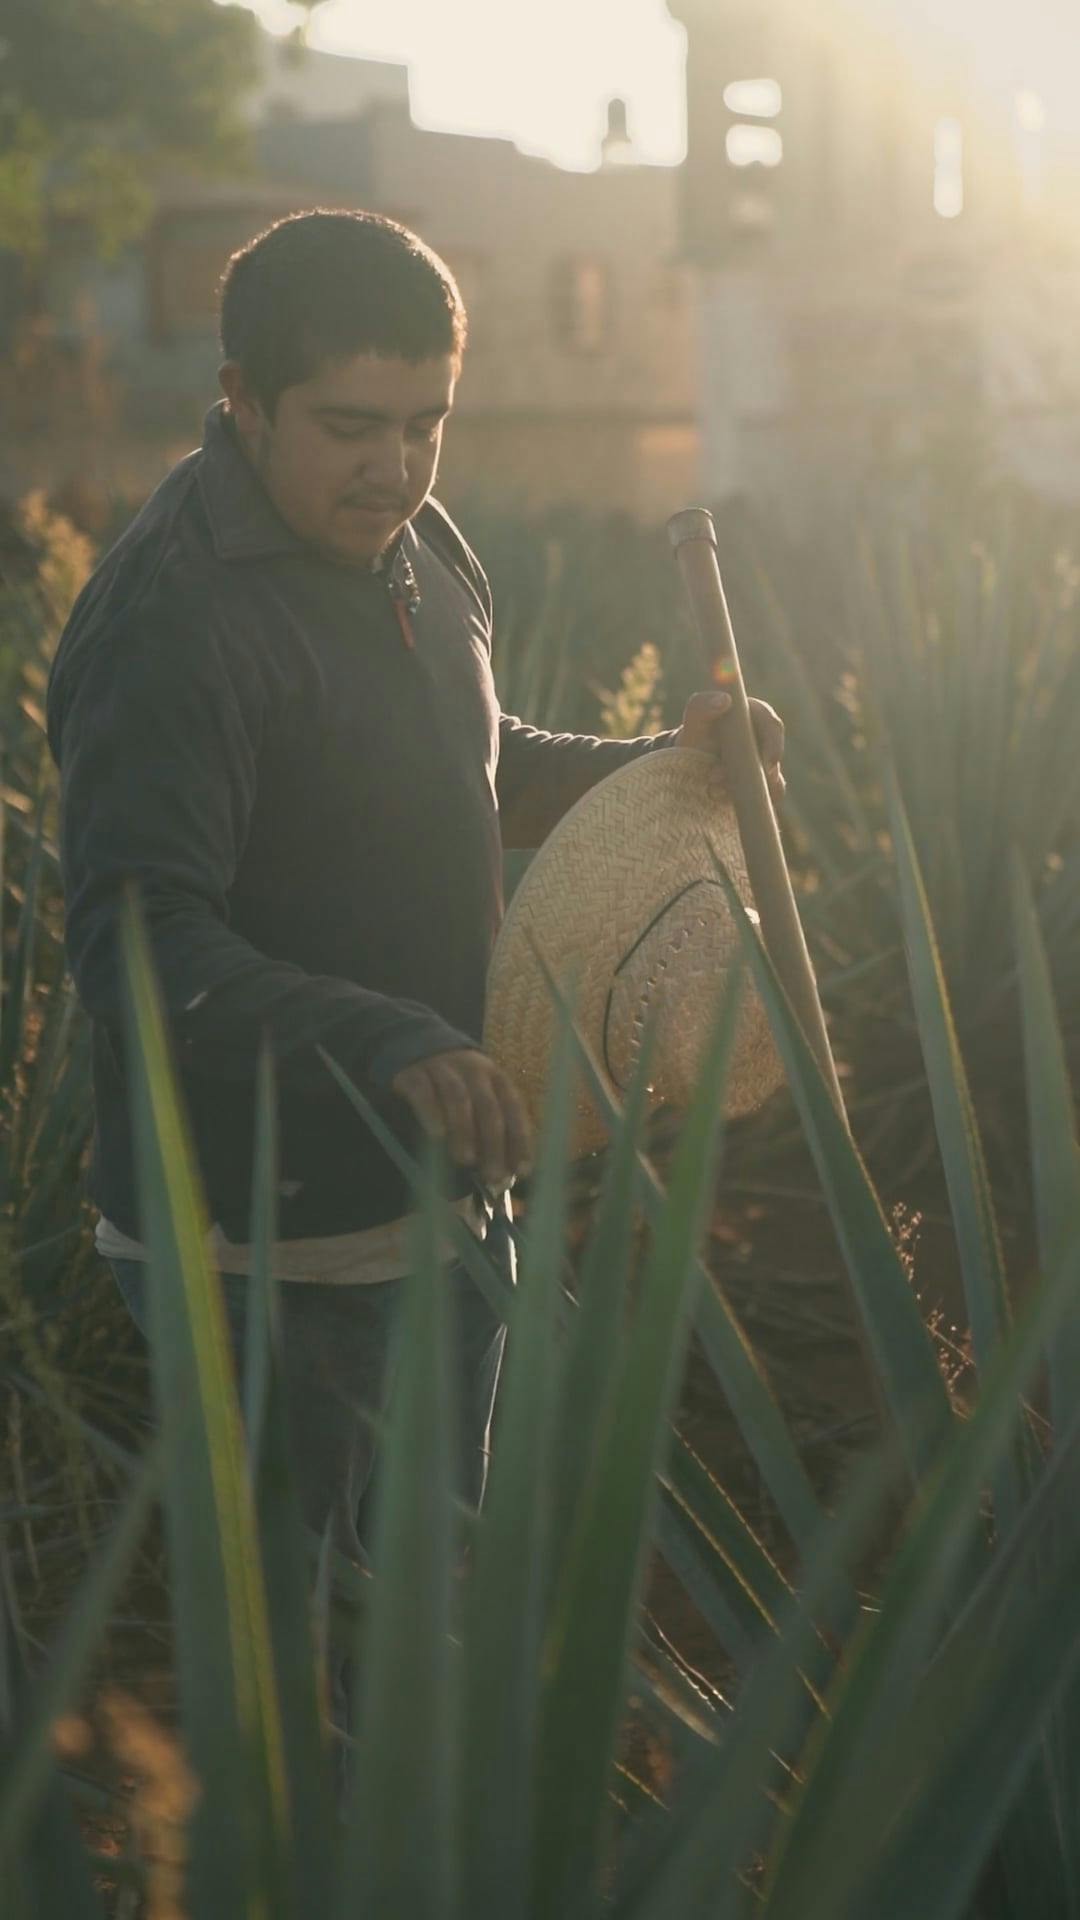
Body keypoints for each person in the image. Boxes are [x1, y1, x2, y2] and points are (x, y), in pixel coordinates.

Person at [46, 208, 784, 1597]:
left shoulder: (421, 547)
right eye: (350, 427)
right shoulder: (178, 624)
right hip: (270, 1243)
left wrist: (667, 768)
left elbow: (470, 775)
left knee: (434, 1630)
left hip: (443, 1183)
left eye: (426, 423)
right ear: (242, 403)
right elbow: (137, 940)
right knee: (313, 1664)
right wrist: (392, 1038)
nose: (395, 468)